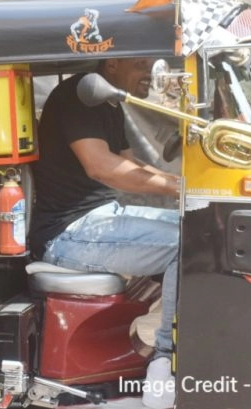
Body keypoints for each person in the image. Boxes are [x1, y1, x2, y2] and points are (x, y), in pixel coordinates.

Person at [29, 58, 180, 409]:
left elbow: (130, 162)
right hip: (69, 232)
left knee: (204, 232)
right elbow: (103, 167)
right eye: (141, 63)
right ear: (113, 62)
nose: (150, 72)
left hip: (99, 218)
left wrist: (186, 186)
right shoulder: (81, 97)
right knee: (188, 245)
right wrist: (178, 190)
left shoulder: (110, 101)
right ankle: (162, 360)